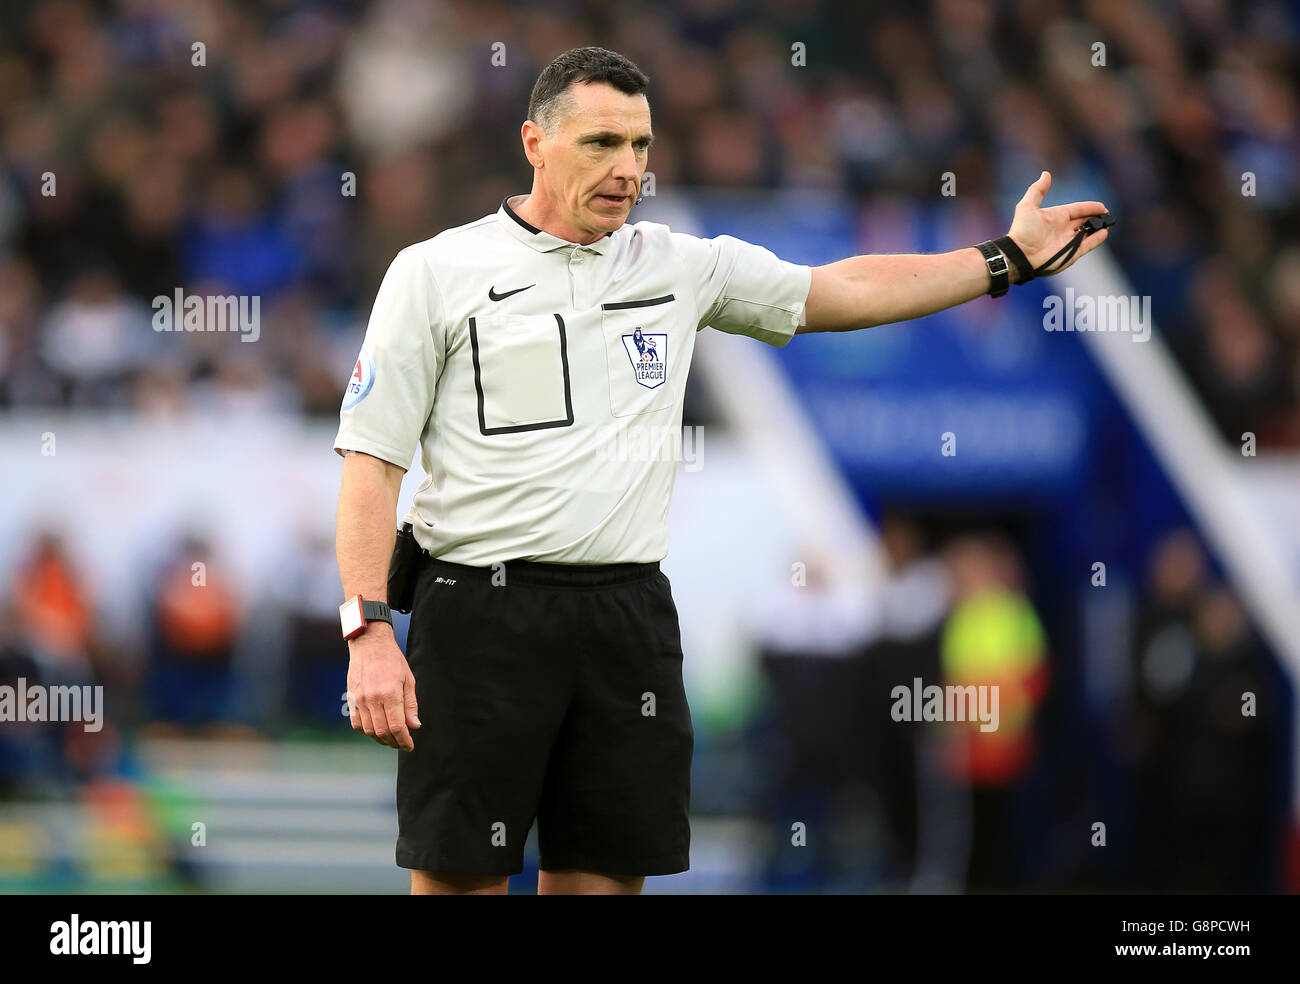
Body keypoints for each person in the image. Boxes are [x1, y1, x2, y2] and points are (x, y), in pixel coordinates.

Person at [332, 46, 1112, 895]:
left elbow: (842, 289)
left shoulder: (677, 266)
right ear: (535, 143)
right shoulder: (435, 272)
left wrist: (1004, 258)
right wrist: (369, 632)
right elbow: (371, 466)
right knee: (460, 882)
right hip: (480, 615)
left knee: (604, 881)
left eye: (640, 145)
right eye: (601, 143)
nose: (627, 168)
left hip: (626, 615)